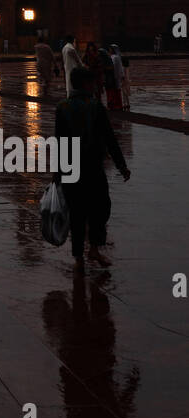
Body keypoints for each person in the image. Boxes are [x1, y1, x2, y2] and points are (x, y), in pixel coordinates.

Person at [54, 67, 131, 272]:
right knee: (101, 208)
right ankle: (94, 248)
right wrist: (121, 165)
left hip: (70, 169)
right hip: (93, 168)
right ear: (87, 84)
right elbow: (109, 138)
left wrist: (57, 175)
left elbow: (59, 142)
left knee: (77, 214)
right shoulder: (96, 106)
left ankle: (79, 257)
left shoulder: (62, 107)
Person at [107, 45, 125, 111]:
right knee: (115, 90)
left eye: (110, 49)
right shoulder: (113, 57)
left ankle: (117, 105)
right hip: (114, 76)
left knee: (116, 91)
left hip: (115, 76)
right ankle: (116, 104)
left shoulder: (115, 57)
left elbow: (115, 66)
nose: (109, 50)